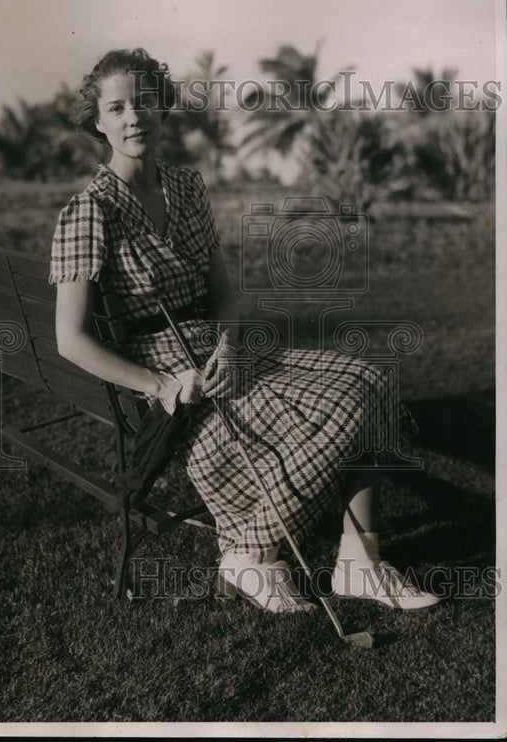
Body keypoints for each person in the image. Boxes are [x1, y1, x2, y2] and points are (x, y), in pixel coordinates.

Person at [48, 48, 440, 614]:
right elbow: (71, 339)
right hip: (173, 379)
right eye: (118, 107)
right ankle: (252, 554)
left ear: (164, 108)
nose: (135, 117)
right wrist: (160, 384)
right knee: (342, 410)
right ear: (98, 121)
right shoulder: (89, 211)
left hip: (223, 352)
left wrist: (230, 345)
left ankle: (359, 561)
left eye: (146, 102)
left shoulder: (185, 187)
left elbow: (226, 295)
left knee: (370, 378)